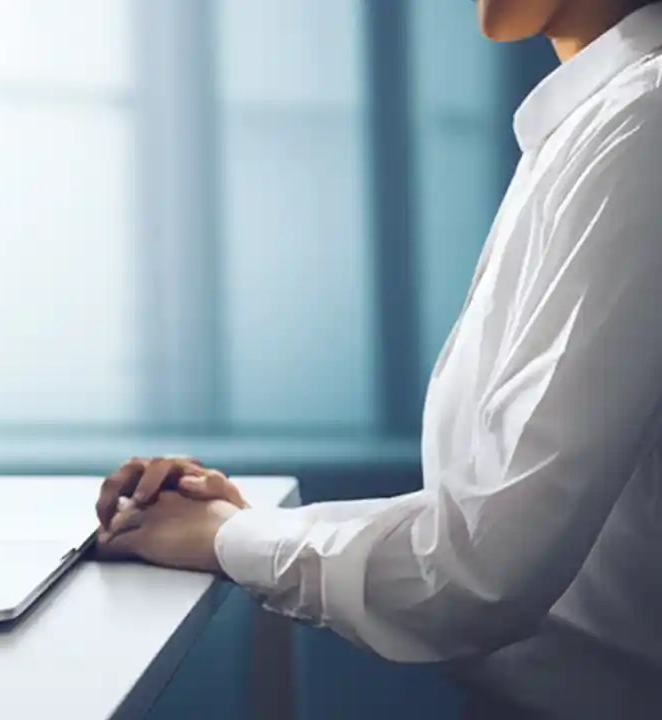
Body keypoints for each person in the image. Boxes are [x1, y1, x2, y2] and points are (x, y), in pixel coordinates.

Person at [95, 1, 662, 717]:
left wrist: (225, 538)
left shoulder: (644, 125)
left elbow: (478, 573)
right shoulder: (601, 118)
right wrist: (243, 525)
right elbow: (497, 518)